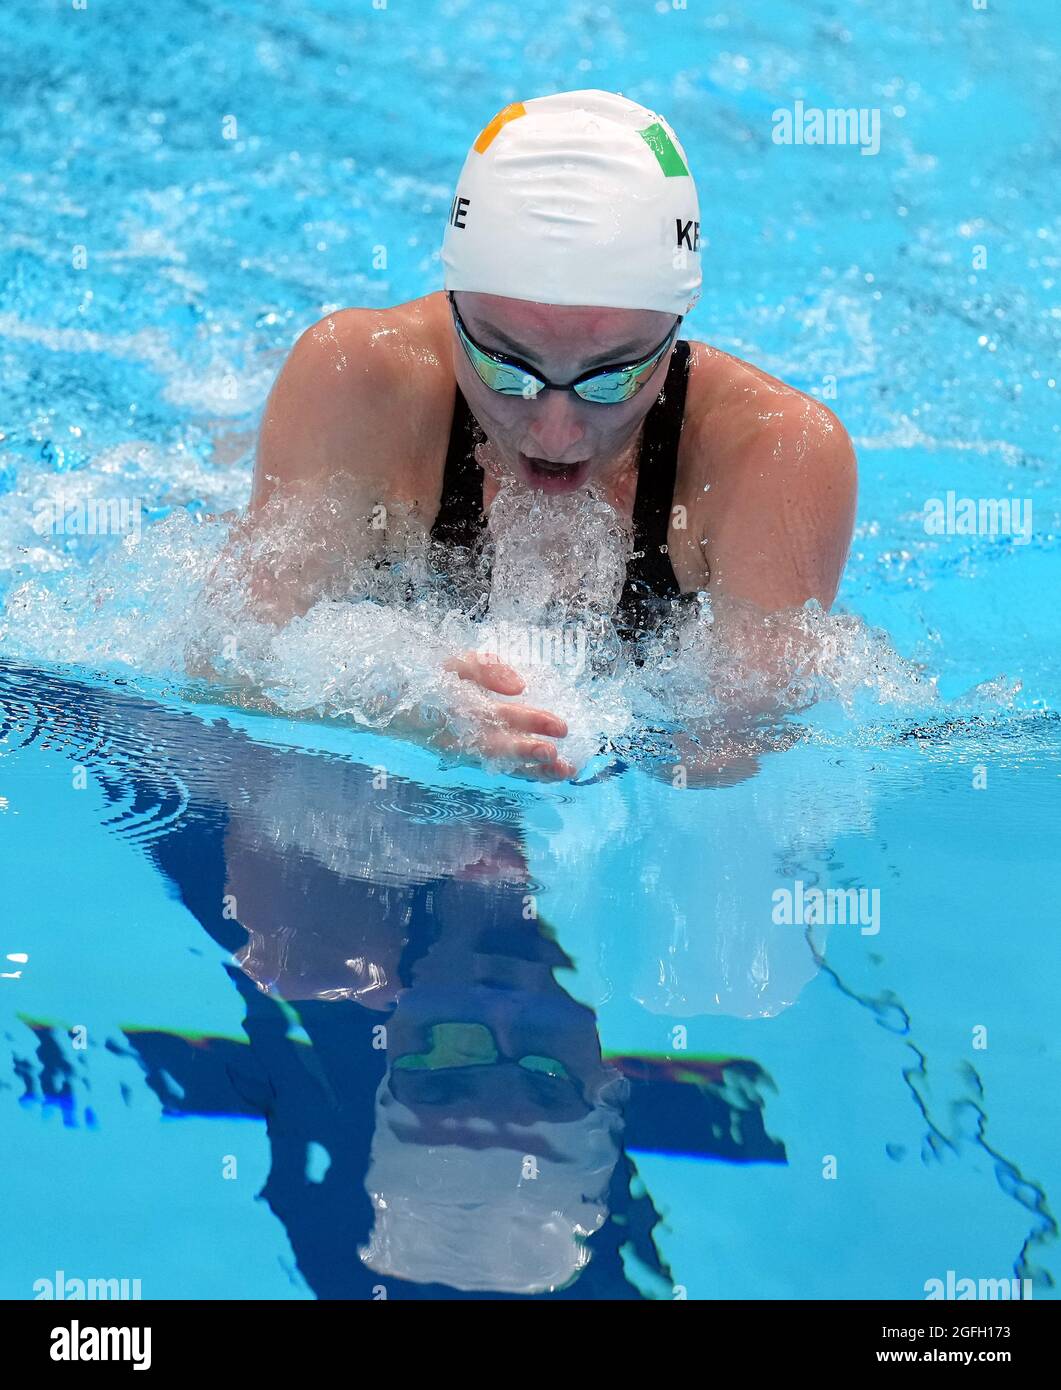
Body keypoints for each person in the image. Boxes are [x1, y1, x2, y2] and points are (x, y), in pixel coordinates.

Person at [245, 90, 856, 781]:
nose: (556, 434)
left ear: (677, 325)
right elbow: (225, 658)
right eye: (505, 368)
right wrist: (399, 700)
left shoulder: (775, 451)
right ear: (453, 304)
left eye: (610, 378)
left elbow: (737, 760)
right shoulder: (357, 380)